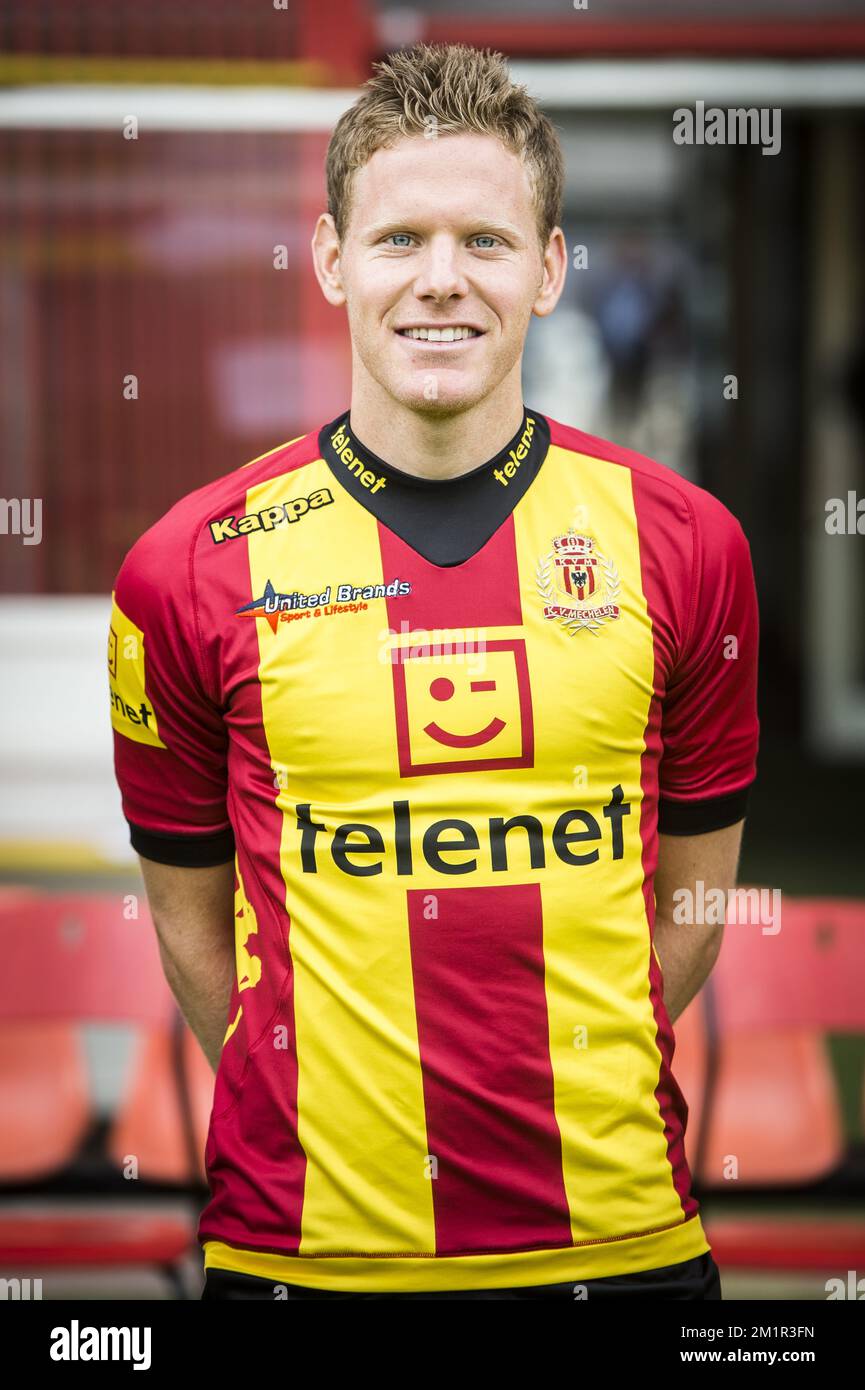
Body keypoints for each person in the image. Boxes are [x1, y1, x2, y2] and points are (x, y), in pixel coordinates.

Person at [108, 42, 758, 1301]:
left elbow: (687, 912)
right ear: (333, 258)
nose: (442, 282)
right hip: (302, 1254)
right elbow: (195, 934)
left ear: (553, 267)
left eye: (487, 241)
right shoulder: (186, 567)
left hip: (624, 1247)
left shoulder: (689, 546)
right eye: (400, 239)